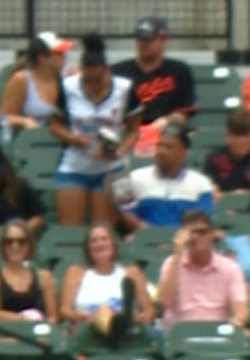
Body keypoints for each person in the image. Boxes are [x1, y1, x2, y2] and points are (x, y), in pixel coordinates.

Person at [51, 34, 132, 227]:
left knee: (103, 233)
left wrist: (118, 150)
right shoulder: (67, 88)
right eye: (88, 81)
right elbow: (54, 125)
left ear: (107, 71)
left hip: (111, 168)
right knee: (71, 231)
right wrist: (73, 138)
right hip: (74, 165)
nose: (93, 86)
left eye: (98, 81)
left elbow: (134, 130)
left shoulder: (125, 89)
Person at [60, 225, 155, 346]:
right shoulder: (76, 272)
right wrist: (80, 317)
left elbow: (149, 312)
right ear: (88, 248)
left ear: (113, 245)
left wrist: (138, 318)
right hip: (88, 331)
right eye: (93, 241)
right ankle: (114, 332)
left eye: (104, 239)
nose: (99, 244)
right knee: (103, 310)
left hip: (130, 330)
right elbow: (64, 311)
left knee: (118, 315)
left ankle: (118, 327)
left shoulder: (132, 273)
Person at [115, 16, 196, 157]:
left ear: (164, 40)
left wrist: (164, 122)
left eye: (149, 39)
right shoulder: (119, 71)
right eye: (140, 39)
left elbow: (183, 112)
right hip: (128, 133)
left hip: (165, 133)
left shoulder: (179, 70)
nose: (143, 44)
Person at [157, 209, 248, 330]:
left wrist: (234, 325)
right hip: (178, 333)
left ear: (211, 235)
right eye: (191, 233)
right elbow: (163, 304)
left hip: (216, 332)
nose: (196, 237)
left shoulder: (230, 268)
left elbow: (240, 310)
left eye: (202, 232)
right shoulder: (171, 264)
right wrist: (178, 254)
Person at [120, 116, 214, 231]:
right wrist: (150, 233)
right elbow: (125, 213)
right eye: (159, 145)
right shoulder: (134, 178)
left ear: (184, 152)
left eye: (168, 147)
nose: (161, 151)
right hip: (145, 242)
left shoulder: (201, 184)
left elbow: (201, 220)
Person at [0, 219, 57, 322]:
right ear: (3, 246)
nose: (15, 246)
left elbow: (53, 317)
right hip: (4, 333)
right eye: (9, 242)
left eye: (21, 242)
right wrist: (24, 319)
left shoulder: (44, 277)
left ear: (29, 245)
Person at [0, 32, 71, 133]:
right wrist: (24, 121)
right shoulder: (21, 80)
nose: (64, 57)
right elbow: (4, 118)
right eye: (59, 53)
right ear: (42, 58)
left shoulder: (68, 78)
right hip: (29, 142)